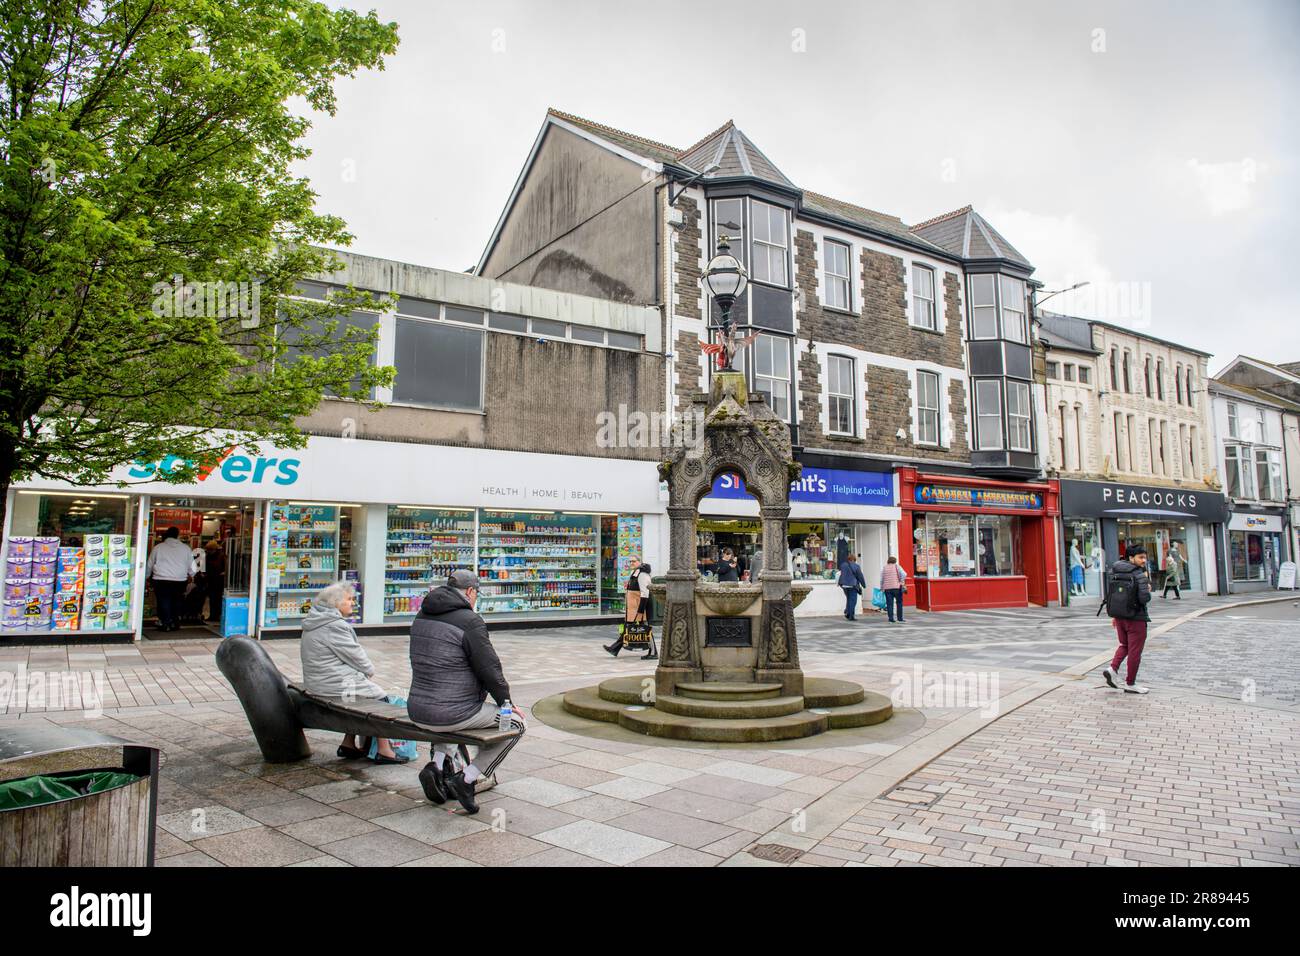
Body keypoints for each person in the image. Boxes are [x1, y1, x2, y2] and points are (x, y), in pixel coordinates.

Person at [408, 569, 526, 814]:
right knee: (515, 725)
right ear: (471, 592)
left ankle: (437, 766)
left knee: (449, 711)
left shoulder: (422, 615)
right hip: (453, 712)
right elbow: (490, 668)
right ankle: (467, 779)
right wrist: (506, 702)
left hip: (418, 709)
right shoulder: (469, 621)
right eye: (477, 594)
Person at [300, 582, 404, 763]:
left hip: (319, 682)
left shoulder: (316, 621)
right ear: (336, 602)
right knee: (380, 699)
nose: (352, 603)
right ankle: (384, 750)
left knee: (356, 696)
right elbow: (355, 655)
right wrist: (369, 671)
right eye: (349, 599)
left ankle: (348, 743)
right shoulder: (334, 625)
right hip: (331, 683)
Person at [1102, 545, 1152, 694]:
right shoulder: (1138, 574)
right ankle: (1130, 683)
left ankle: (1112, 669)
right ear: (1131, 558)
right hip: (1136, 618)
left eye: (1144, 557)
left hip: (1119, 617)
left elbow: (1112, 594)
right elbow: (1144, 598)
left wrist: (1116, 616)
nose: (1144, 560)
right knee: (1135, 651)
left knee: (1124, 644)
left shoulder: (1114, 572)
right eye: (1140, 557)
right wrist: (1147, 589)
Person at [146, 526, 195, 631]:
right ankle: (175, 622)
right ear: (178, 535)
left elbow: (149, 564)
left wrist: (146, 576)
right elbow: (192, 567)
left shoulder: (158, 547)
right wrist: (191, 575)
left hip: (161, 579)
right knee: (177, 601)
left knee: (163, 601)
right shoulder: (186, 548)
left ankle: (165, 623)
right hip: (180, 580)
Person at [604, 563, 656, 659]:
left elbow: (645, 593)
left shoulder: (642, 574)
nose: (631, 563)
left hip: (638, 608)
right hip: (633, 608)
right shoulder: (636, 573)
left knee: (645, 629)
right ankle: (614, 648)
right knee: (628, 627)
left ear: (638, 562)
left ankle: (653, 652)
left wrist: (640, 610)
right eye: (630, 561)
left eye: (633, 561)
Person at [838, 552, 866, 620]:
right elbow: (860, 576)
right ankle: (851, 615)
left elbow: (840, 573)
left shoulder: (843, 565)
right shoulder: (856, 566)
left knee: (849, 599)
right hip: (852, 585)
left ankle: (848, 612)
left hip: (844, 585)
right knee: (853, 601)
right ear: (854, 559)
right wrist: (863, 584)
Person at [879, 555, 908, 623]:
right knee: (899, 602)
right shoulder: (897, 566)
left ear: (888, 561)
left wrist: (881, 587)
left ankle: (891, 619)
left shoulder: (884, 567)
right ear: (895, 561)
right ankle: (900, 618)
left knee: (889, 604)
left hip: (887, 588)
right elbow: (904, 574)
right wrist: (901, 581)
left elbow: (882, 579)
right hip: (896, 587)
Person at [205, 538, 227, 622]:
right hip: (211, 580)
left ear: (214, 549)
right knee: (212, 599)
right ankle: (212, 615)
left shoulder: (221, 556)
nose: (209, 551)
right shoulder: (208, 556)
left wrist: (224, 573)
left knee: (217, 599)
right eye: (208, 550)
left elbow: (225, 568)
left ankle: (217, 615)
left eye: (210, 550)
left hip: (218, 581)